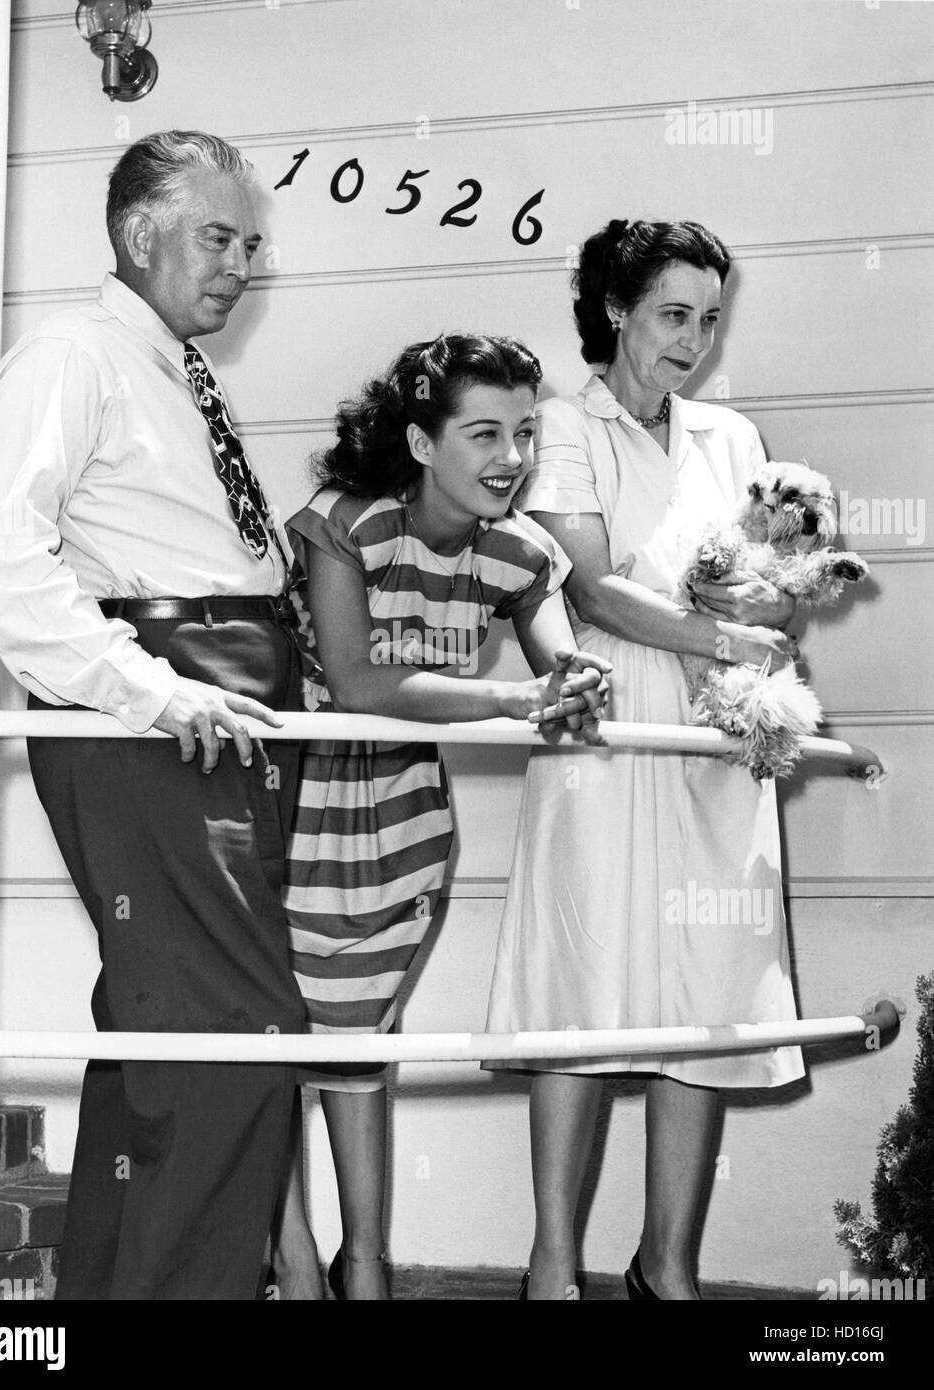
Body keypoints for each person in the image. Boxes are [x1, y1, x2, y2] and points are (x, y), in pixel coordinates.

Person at [0, 130, 307, 1299]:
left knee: (157, 1026)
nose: (240, 266)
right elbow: (5, 563)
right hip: (164, 708)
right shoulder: (72, 353)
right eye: (218, 238)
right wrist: (153, 691)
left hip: (224, 703)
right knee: (237, 1030)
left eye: (250, 243)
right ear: (140, 231)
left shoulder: (171, 366)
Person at [484, 219, 805, 1301]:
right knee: (586, 976)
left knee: (706, 985)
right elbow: (587, 586)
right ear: (616, 309)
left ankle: (665, 1265)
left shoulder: (733, 437)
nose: (695, 341)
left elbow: (764, 575)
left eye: (711, 319)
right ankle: (552, 1265)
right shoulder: (563, 428)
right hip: (609, 715)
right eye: (674, 314)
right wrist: (723, 629)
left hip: (719, 727)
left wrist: (758, 613)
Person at [268, 333, 612, 1299]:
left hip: (399, 811)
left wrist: (575, 684)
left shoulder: (519, 552)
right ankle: (297, 1261)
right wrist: (513, 703)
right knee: (270, 1040)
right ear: (421, 442)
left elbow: (558, 667)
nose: (513, 457)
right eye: (485, 433)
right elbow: (356, 676)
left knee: (363, 1039)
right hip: (288, 797)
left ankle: (365, 1263)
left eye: (527, 433)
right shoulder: (347, 524)